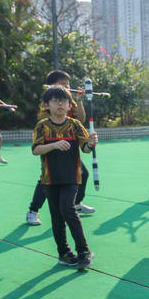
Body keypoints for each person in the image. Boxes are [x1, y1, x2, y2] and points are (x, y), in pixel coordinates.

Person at [31, 86, 98, 270]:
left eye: (64, 101)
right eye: (55, 100)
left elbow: (85, 149)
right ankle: (64, 253)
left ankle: (84, 251)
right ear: (47, 105)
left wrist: (90, 144)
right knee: (56, 217)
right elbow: (36, 149)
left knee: (67, 209)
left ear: (69, 105)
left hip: (71, 177)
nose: (60, 104)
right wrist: (54, 145)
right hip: (50, 178)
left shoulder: (75, 125)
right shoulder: (42, 126)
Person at [26, 70, 91, 226]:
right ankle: (33, 210)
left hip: (68, 147)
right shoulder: (48, 102)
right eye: (63, 84)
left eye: (68, 85)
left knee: (83, 173)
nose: (67, 87)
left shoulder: (67, 100)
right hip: (50, 147)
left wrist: (79, 101)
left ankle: (75, 204)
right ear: (52, 85)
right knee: (46, 180)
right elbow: (45, 121)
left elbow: (81, 119)